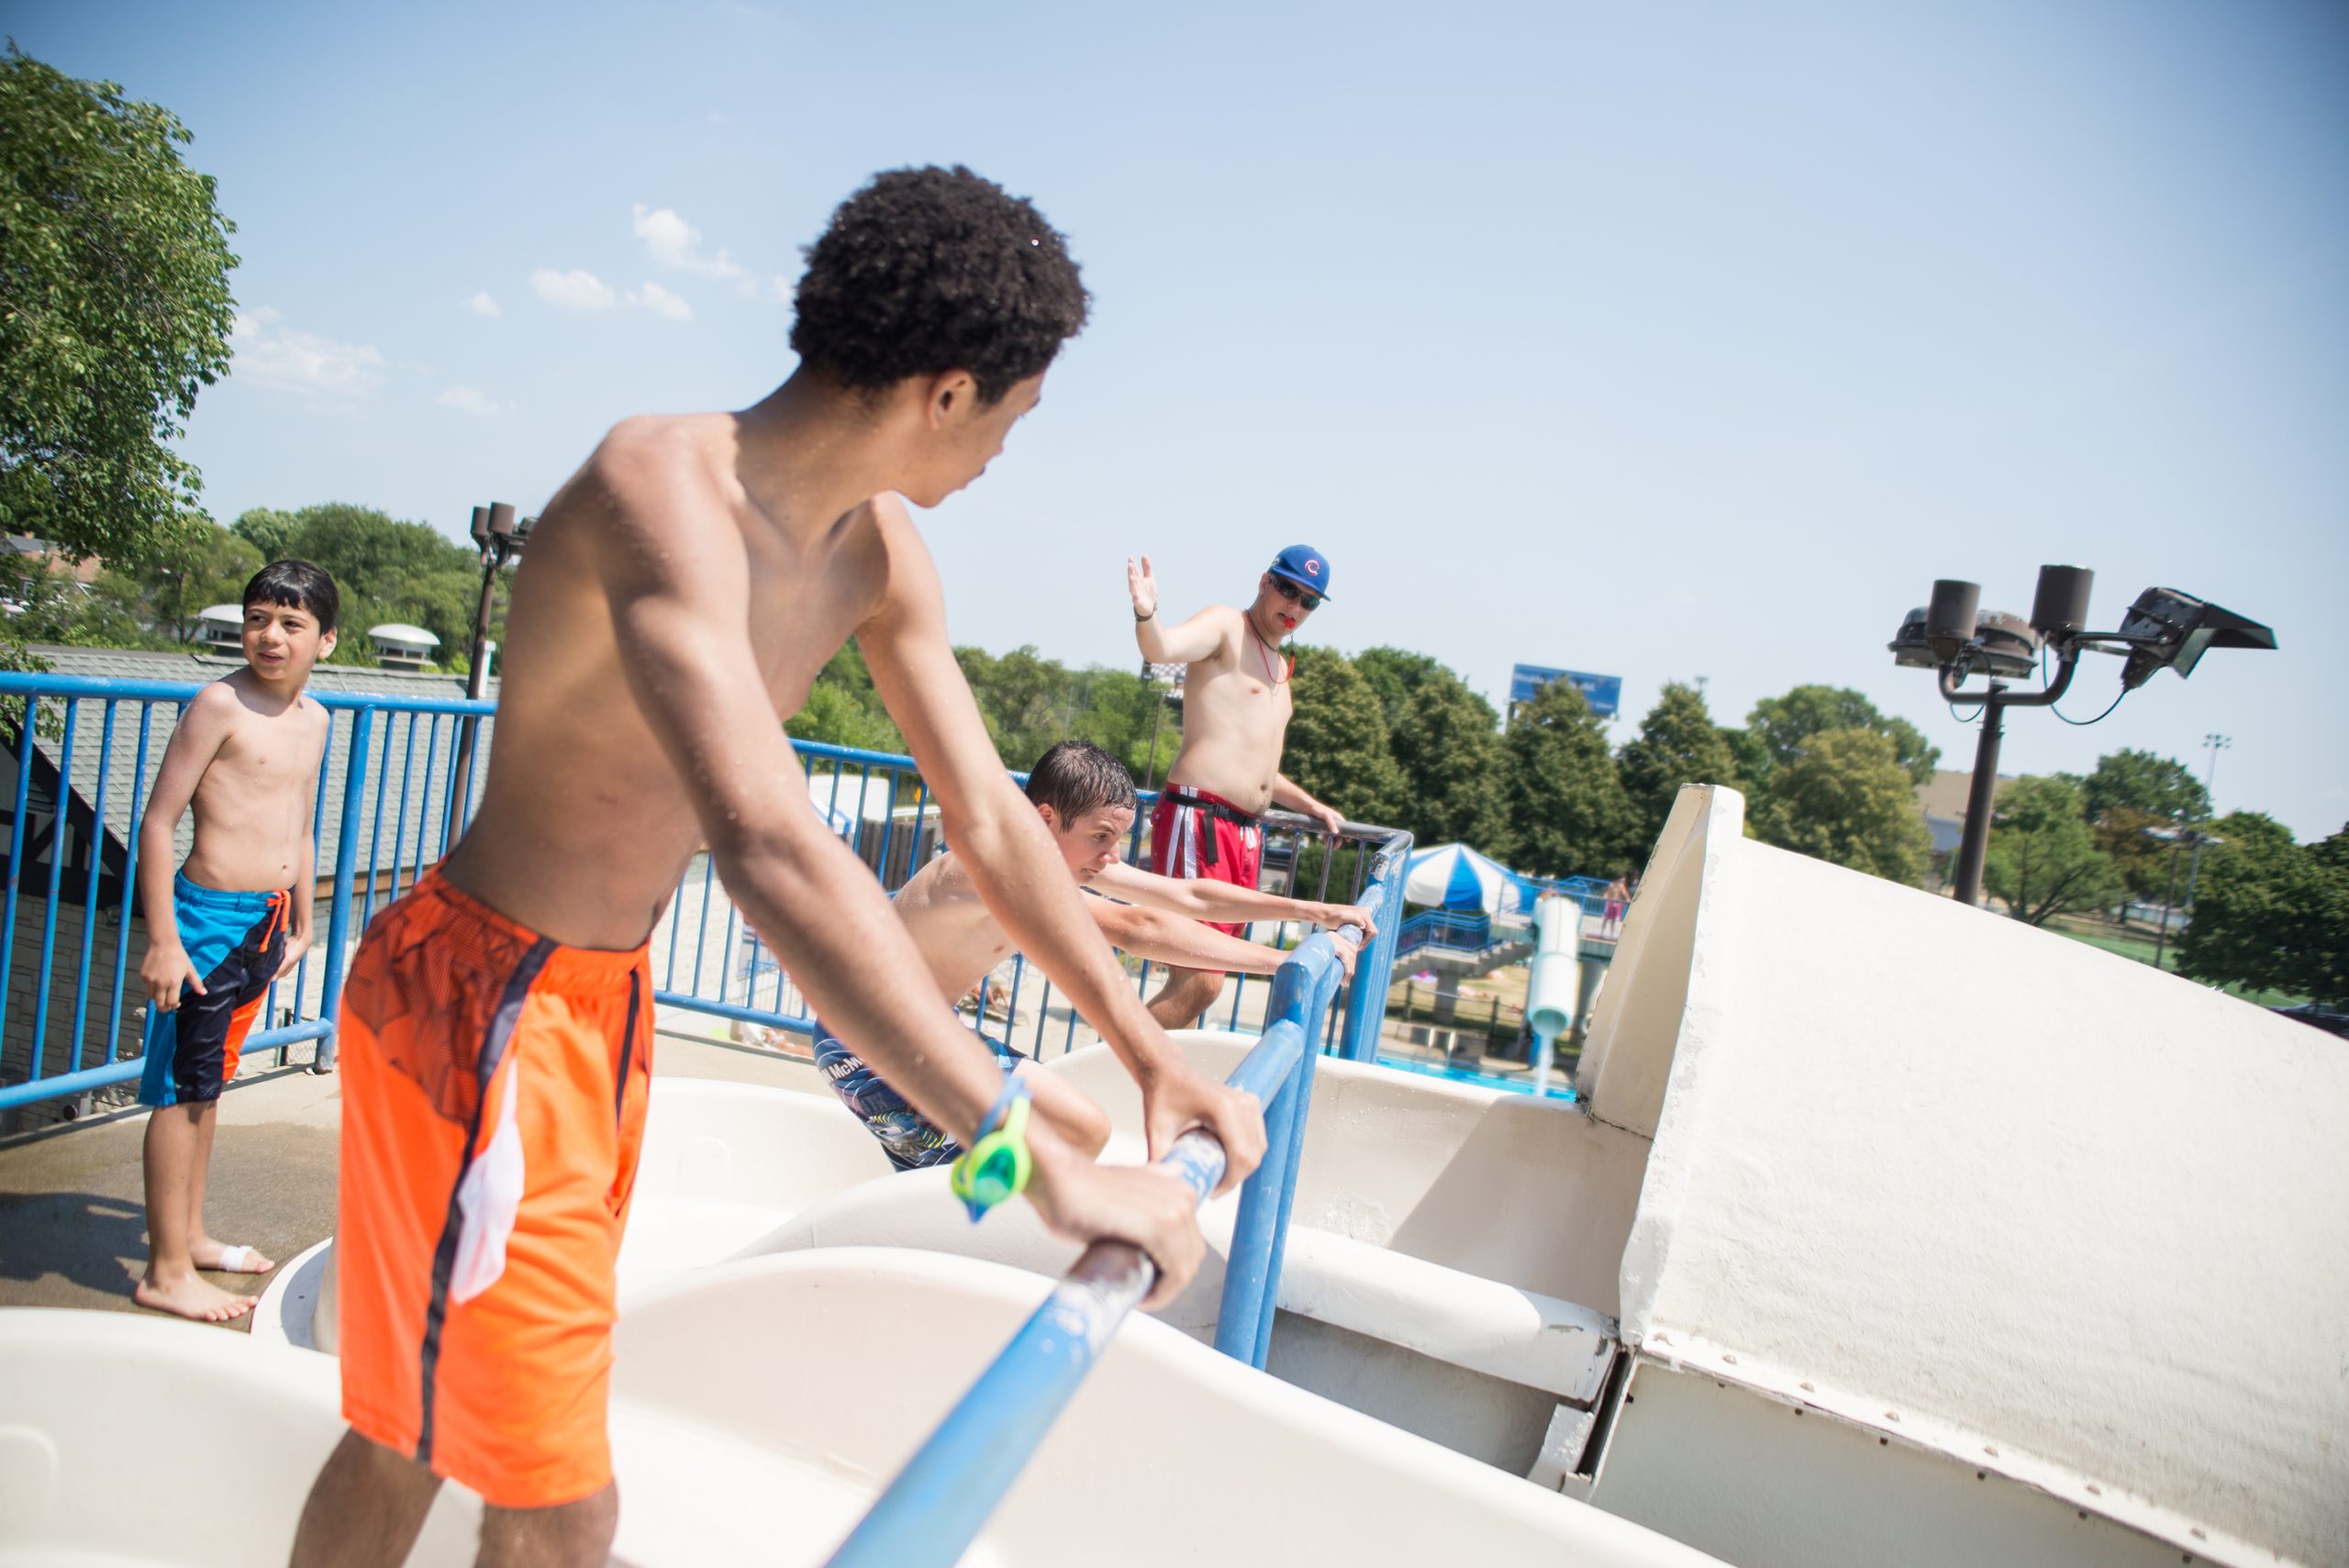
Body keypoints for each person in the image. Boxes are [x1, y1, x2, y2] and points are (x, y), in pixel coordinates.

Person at [288, 167, 1264, 1568]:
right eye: (1014, 414)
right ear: (946, 391)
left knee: (445, 1428)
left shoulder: (880, 552)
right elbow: (769, 843)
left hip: (597, 1007)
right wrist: (1031, 1161)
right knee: (562, 1498)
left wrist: (1145, 1048)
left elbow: (992, 819)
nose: (1006, 452)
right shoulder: (661, 490)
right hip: (483, 1008)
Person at [816, 740, 1375, 1169]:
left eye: (1118, 840)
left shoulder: (1051, 858)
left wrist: (1314, 913)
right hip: (868, 1045)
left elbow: (1188, 895)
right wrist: (1281, 964)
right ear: (1044, 818)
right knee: (982, 1172)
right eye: (1101, 837)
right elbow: (1136, 925)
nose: (1110, 858)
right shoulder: (998, 866)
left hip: (925, 1035)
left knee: (1081, 1129)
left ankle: (971, 1226)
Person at [132, 561, 339, 1323]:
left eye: (291, 623)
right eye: (258, 619)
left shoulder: (314, 719)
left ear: (326, 639)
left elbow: (301, 822)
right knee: (181, 1093)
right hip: (206, 922)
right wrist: (163, 939)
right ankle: (164, 1270)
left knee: (208, 1084)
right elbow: (158, 821)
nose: (270, 635)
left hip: (266, 918)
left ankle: (188, 1234)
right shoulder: (219, 704)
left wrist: (306, 919)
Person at [1127, 545, 1349, 1030]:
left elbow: (1259, 769)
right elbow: (1160, 649)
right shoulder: (1227, 626)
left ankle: (1147, 1088)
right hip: (1200, 821)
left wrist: (1312, 806)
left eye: (1309, 601)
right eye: (1288, 590)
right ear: (1265, 581)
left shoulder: (1280, 670)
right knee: (1200, 979)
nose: (1294, 607)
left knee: (1206, 979)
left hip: (1245, 835)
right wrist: (1147, 612)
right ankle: (1103, 1079)